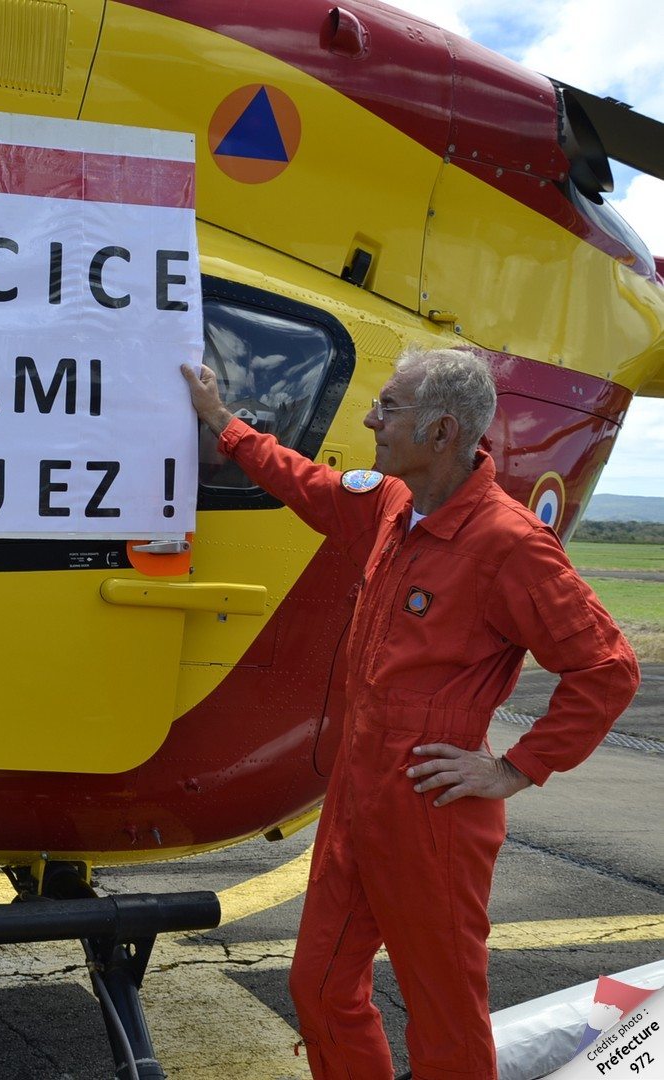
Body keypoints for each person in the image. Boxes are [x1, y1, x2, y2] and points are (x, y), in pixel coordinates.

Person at [181, 347, 638, 1079]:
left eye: (389, 407)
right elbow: (309, 485)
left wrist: (515, 768)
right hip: (360, 788)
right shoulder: (394, 504)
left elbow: (607, 667)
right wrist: (223, 425)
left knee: (444, 1012)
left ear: (442, 432)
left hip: (432, 804)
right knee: (320, 986)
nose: (371, 417)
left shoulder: (509, 544)